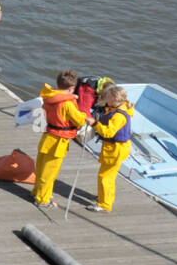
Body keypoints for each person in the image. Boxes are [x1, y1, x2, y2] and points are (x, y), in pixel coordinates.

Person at [31, 70, 85, 207]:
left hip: (48, 136)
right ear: (72, 88)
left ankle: (38, 191)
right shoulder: (67, 103)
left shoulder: (49, 97)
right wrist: (85, 116)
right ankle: (42, 200)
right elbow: (78, 120)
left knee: (41, 167)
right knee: (50, 171)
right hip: (58, 141)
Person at [86, 84, 134, 213]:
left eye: (108, 97)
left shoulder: (119, 116)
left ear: (115, 99)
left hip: (115, 150)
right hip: (116, 148)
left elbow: (108, 132)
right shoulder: (118, 108)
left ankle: (104, 204)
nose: (106, 98)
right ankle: (106, 197)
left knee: (104, 176)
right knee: (110, 176)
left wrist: (94, 123)